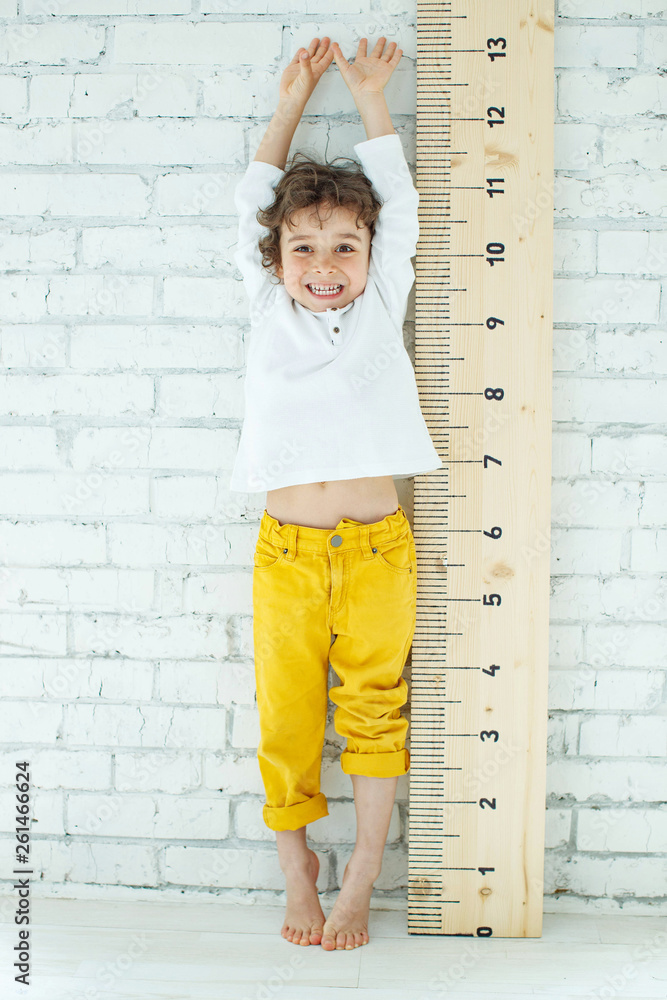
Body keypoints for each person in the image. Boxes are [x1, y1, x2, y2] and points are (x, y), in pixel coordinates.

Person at [231, 36, 442, 951]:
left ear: (368, 254)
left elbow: (399, 204)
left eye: (344, 246)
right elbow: (250, 205)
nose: (324, 263)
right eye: (304, 247)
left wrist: (369, 100)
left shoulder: (380, 301)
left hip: (376, 551)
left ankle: (360, 874)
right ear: (278, 257)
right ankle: (296, 867)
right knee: (285, 715)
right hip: (286, 554)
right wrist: (290, 103)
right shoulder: (267, 307)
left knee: (372, 710)